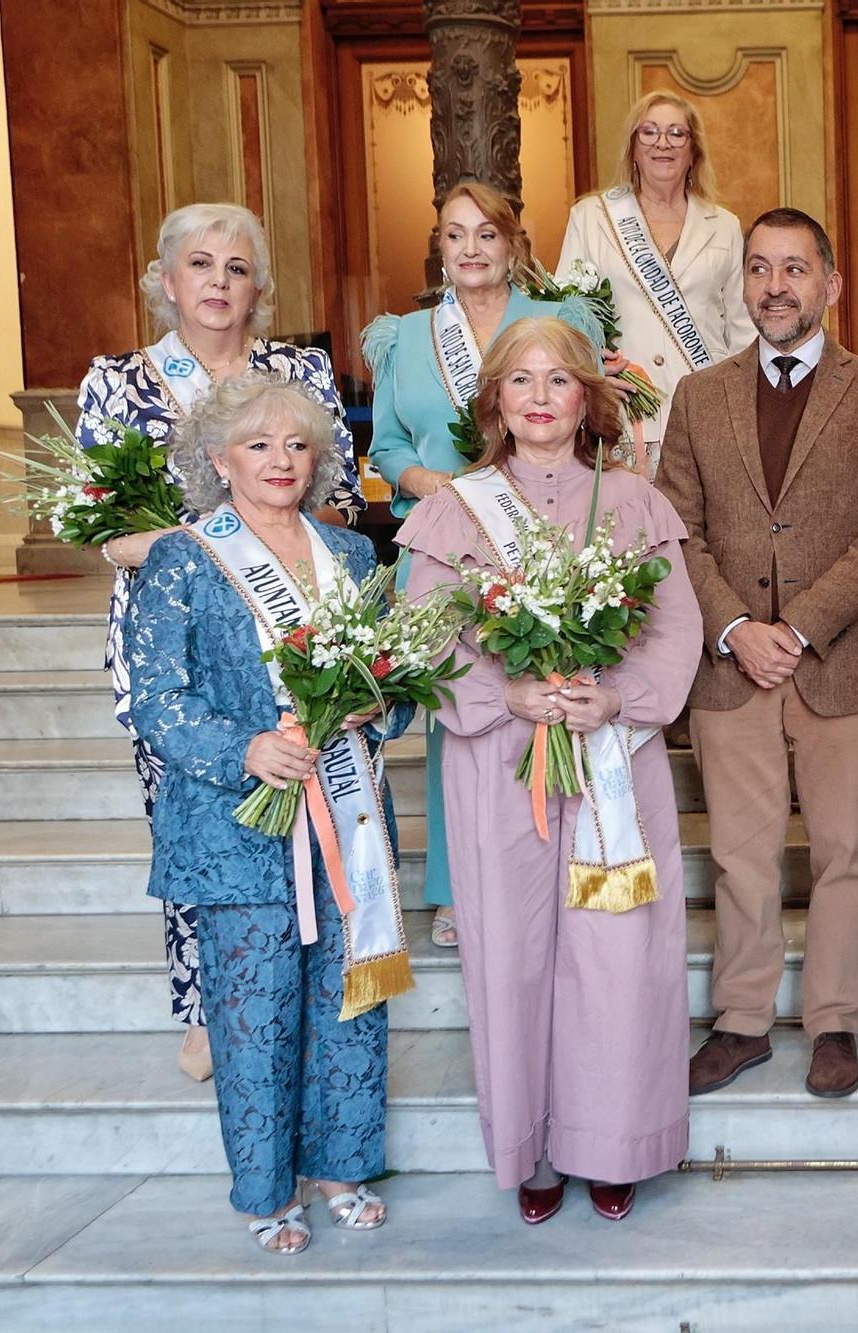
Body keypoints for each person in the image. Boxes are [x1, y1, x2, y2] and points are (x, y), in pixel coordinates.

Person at [399, 317, 702, 1224]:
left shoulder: (637, 502)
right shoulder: (456, 508)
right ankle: (530, 1144)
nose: (539, 396)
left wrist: (618, 698)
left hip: (613, 757)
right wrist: (508, 695)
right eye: (520, 381)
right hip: (500, 764)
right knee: (514, 955)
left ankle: (609, 1139)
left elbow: (674, 628)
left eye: (559, 379)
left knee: (617, 954)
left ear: (587, 398)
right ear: (494, 400)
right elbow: (425, 638)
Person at [125, 375, 413, 1254]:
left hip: (350, 814)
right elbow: (156, 700)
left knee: (350, 999)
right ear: (219, 460)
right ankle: (265, 1187)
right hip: (236, 827)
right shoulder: (184, 558)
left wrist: (376, 708)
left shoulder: (354, 559)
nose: (281, 461)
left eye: (296, 445)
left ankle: (343, 1164)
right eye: (258, 445)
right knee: (256, 1010)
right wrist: (246, 749)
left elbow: (400, 685)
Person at [76, 201, 363, 1082]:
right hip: (176, 644)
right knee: (195, 821)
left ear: (260, 287)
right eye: (200, 265)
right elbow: (96, 525)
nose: (217, 283)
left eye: (236, 268)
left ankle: (308, 980)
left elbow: (342, 498)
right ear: (167, 281)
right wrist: (207, 557)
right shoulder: (120, 382)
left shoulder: (301, 371)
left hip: (295, 631)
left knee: (310, 811)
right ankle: (205, 1003)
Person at [658, 208, 858, 1100]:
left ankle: (835, 1022)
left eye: (796, 269)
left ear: (830, 284)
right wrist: (734, 626)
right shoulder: (699, 395)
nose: (777, 286)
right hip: (731, 665)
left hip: (837, 662)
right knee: (741, 852)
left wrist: (799, 626)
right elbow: (677, 531)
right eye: (761, 269)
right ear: (745, 284)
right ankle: (741, 1021)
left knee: (844, 848)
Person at [363, 181, 604, 951]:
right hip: (445, 544)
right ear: (439, 247)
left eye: (486, 235)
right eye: (454, 235)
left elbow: (593, 417)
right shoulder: (402, 334)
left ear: (514, 244)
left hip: (547, 539)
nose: (470, 249)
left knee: (551, 694)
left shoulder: (560, 321)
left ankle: (563, 854)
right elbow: (388, 449)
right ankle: (455, 881)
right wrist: (433, 484)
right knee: (458, 713)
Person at [556, 90, 754, 476]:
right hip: (622, 410)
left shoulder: (725, 225)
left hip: (706, 412)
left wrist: (738, 403)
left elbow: (742, 327)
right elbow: (566, 320)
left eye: (676, 133)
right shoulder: (593, 217)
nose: (662, 143)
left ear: (693, 149)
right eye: (648, 132)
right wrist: (592, 372)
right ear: (633, 146)